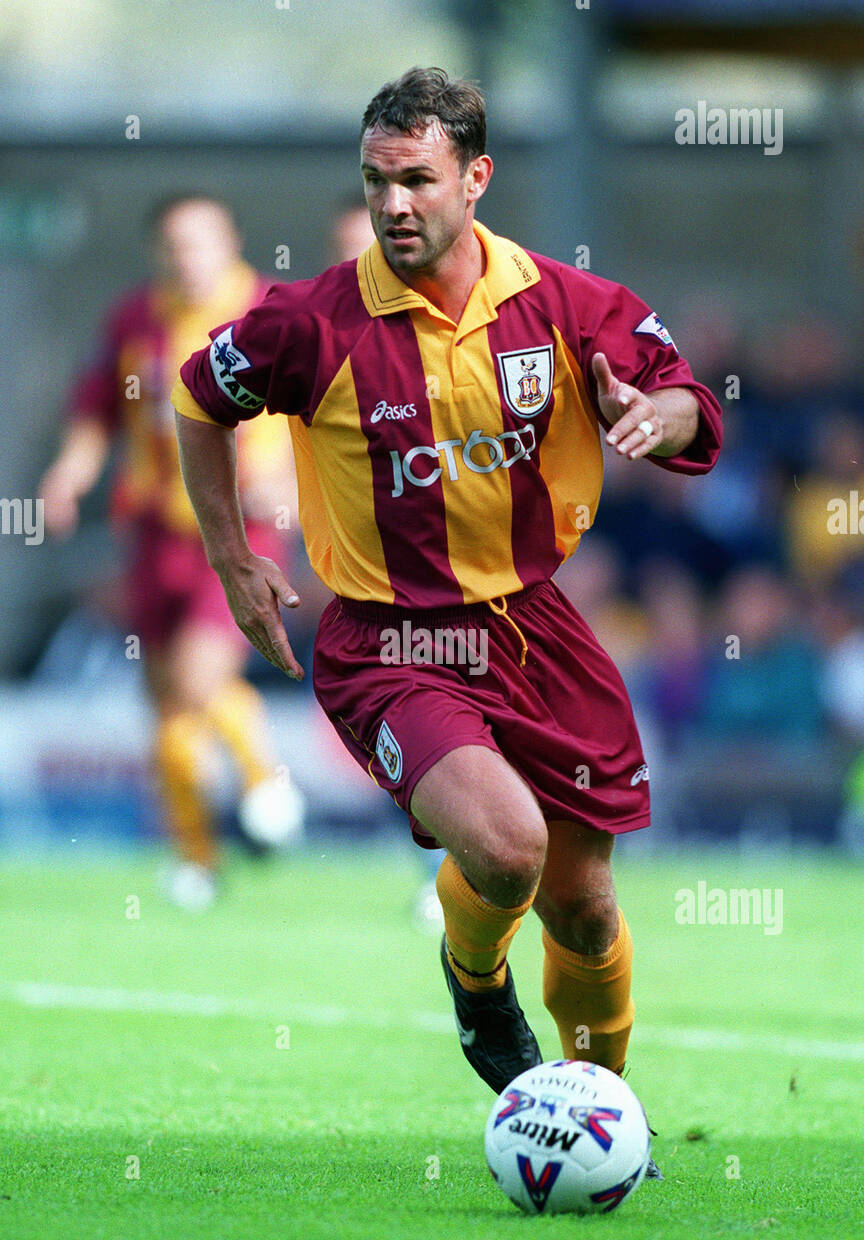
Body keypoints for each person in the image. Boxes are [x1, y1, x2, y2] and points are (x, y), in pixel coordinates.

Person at [172, 69, 722, 1176]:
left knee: (581, 905)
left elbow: (686, 403)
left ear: (474, 178)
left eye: (415, 180)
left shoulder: (565, 303)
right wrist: (234, 559)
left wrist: (647, 418)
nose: (392, 205)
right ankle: (477, 989)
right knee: (509, 849)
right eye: (375, 181)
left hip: (536, 629)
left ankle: (601, 1112)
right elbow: (196, 398)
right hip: (389, 643)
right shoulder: (311, 321)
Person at [39, 194, 304, 909]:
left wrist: (287, 483)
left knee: (196, 680)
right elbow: (96, 411)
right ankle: (196, 858)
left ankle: (262, 780)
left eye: (202, 243)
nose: (188, 259)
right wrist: (70, 472)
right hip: (154, 530)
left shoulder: (271, 312)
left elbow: (322, 410)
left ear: (232, 241)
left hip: (240, 530)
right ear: (159, 252)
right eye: (175, 246)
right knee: (164, 701)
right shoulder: (136, 320)